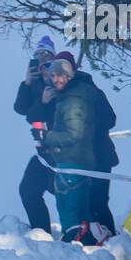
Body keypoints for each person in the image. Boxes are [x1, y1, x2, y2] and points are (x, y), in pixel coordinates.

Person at [37, 58, 99, 244]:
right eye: (54, 75)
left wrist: (46, 136)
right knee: (77, 211)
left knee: (69, 211)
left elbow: (74, 134)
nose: (57, 80)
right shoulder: (68, 97)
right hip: (72, 160)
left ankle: (75, 247)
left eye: (62, 76)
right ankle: (85, 246)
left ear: (70, 76)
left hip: (73, 161)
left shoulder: (73, 101)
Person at [13, 37, 58, 232]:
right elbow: (21, 109)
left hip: (61, 150)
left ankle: (86, 233)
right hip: (43, 150)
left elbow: (34, 114)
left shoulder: (59, 82)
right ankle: (41, 233)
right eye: (37, 55)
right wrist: (27, 83)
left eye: (46, 56)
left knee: (63, 192)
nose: (41, 59)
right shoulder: (36, 84)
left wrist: (42, 101)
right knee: (28, 190)